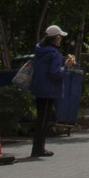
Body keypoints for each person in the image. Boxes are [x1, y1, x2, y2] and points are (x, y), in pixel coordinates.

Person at [27, 24, 67, 158]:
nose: (61, 40)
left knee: (41, 118)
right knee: (44, 120)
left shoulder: (39, 50)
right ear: (55, 39)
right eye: (60, 37)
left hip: (38, 87)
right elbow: (55, 73)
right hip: (49, 89)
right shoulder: (54, 54)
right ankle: (38, 148)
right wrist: (66, 67)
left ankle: (39, 147)